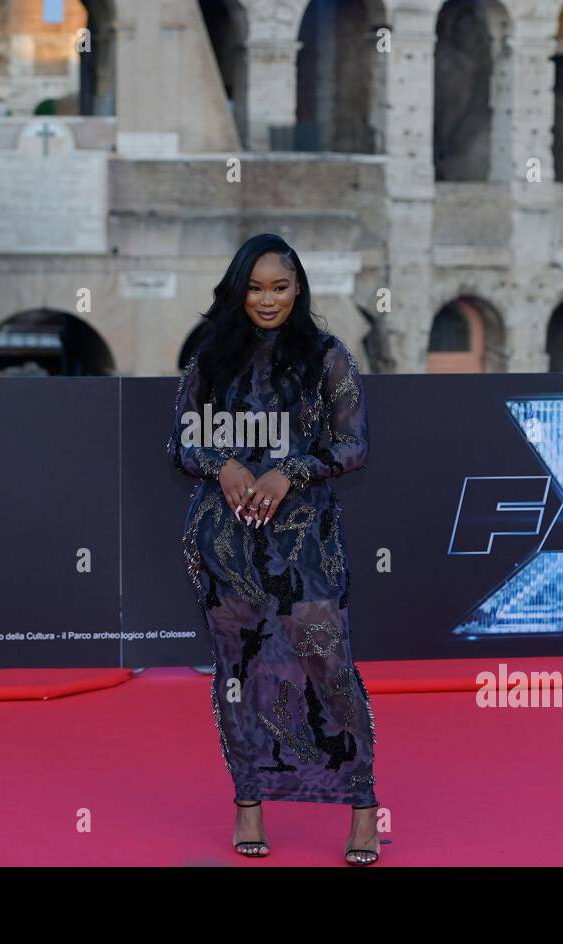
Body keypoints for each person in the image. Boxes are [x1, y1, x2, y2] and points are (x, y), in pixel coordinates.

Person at [165, 233, 381, 865]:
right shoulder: (210, 358)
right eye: (255, 287)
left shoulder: (328, 357)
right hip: (224, 541)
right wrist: (223, 463)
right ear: (239, 290)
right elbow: (178, 445)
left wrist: (291, 469)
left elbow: (355, 446)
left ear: (298, 290)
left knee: (329, 663)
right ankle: (248, 801)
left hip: (306, 540)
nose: (268, 299)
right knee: (238, 671)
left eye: (280, 287)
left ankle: (363, 805)